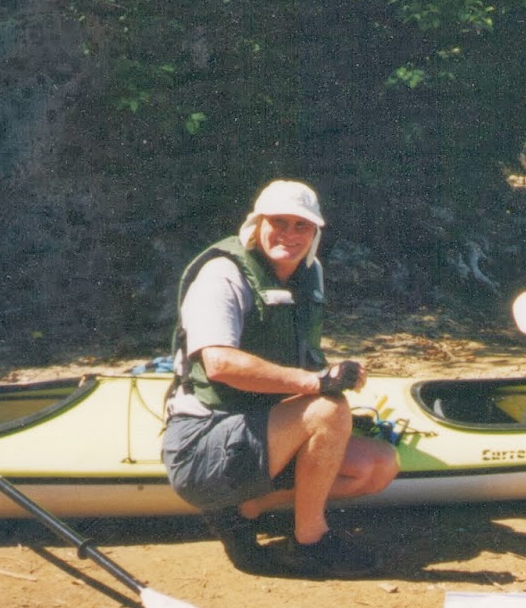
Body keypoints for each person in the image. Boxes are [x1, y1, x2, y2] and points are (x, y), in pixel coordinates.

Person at [162, 179, 399, 577]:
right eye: (279, 222)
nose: (290, 235)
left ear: (315, 233)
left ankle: (244, 509)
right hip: (202, 441)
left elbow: (300, 362)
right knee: (326, 408)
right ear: (257, 224)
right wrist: (316, 384)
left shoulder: (310, 272)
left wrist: (337, 374)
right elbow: (219, 364)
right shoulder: (222, 274)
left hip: (263, 432)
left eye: (301, 226)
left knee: (378, 466)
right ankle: (309, 542)